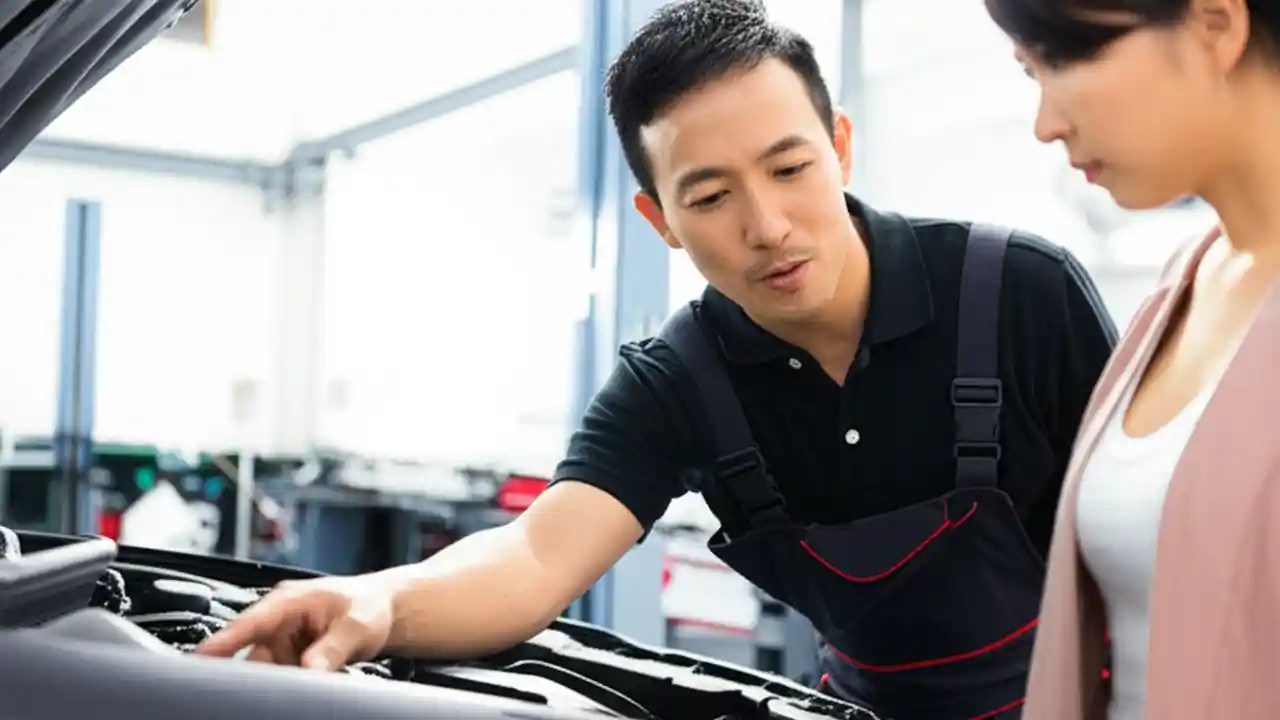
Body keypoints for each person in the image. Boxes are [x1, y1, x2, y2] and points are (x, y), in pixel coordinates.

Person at [197, 2, 1117, 717]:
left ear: (839, 149)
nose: (767, 226)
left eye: (790, 169)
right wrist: (379, 604)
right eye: (710, 196)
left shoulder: (1018, 293)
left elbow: (1151, 553)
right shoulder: (679, 381)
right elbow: (532, 556)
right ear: (661, 222)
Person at [983, 0, 1280, 718]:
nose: (1046, 123)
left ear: (1215, 24)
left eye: (1063, 58)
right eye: (1030, 74)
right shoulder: (1183, 287)